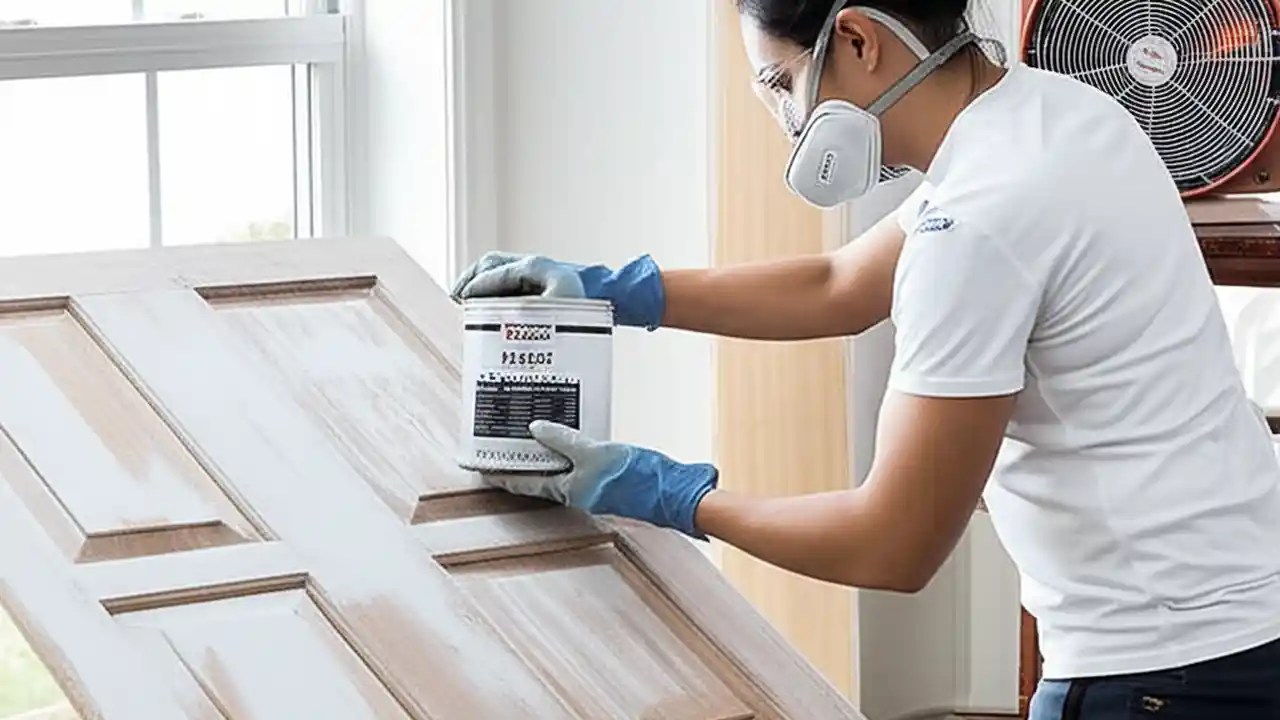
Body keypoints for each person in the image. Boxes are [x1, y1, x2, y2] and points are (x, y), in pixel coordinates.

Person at [450, 1, 1280, 717]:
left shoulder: (983, 221)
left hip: (1160, 667)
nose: (785, 116)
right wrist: (618, 291)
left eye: (780, 84)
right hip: (1248, 609)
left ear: (856, 40)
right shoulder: (1055, 114)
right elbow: (837, 284)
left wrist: (667, 494)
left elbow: (893, 545)